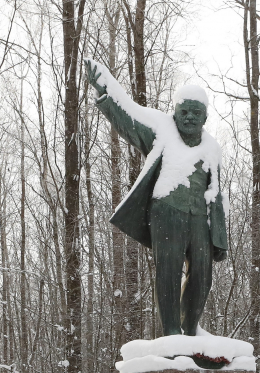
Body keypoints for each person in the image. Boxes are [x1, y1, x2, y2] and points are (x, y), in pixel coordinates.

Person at [84, 59, 228, 337]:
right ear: (175, 112)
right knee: (169, 272)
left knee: (203, 275)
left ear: (205, 118)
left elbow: (216, 195)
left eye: (195, 113)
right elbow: (129, 117)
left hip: (199, 218)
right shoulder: (162, 130)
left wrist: (219, 238)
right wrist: (104, 92)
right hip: (167, 212)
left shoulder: (212, 148)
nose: (188, 117)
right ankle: (172, 331)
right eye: (183, 111)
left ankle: (190, 327)